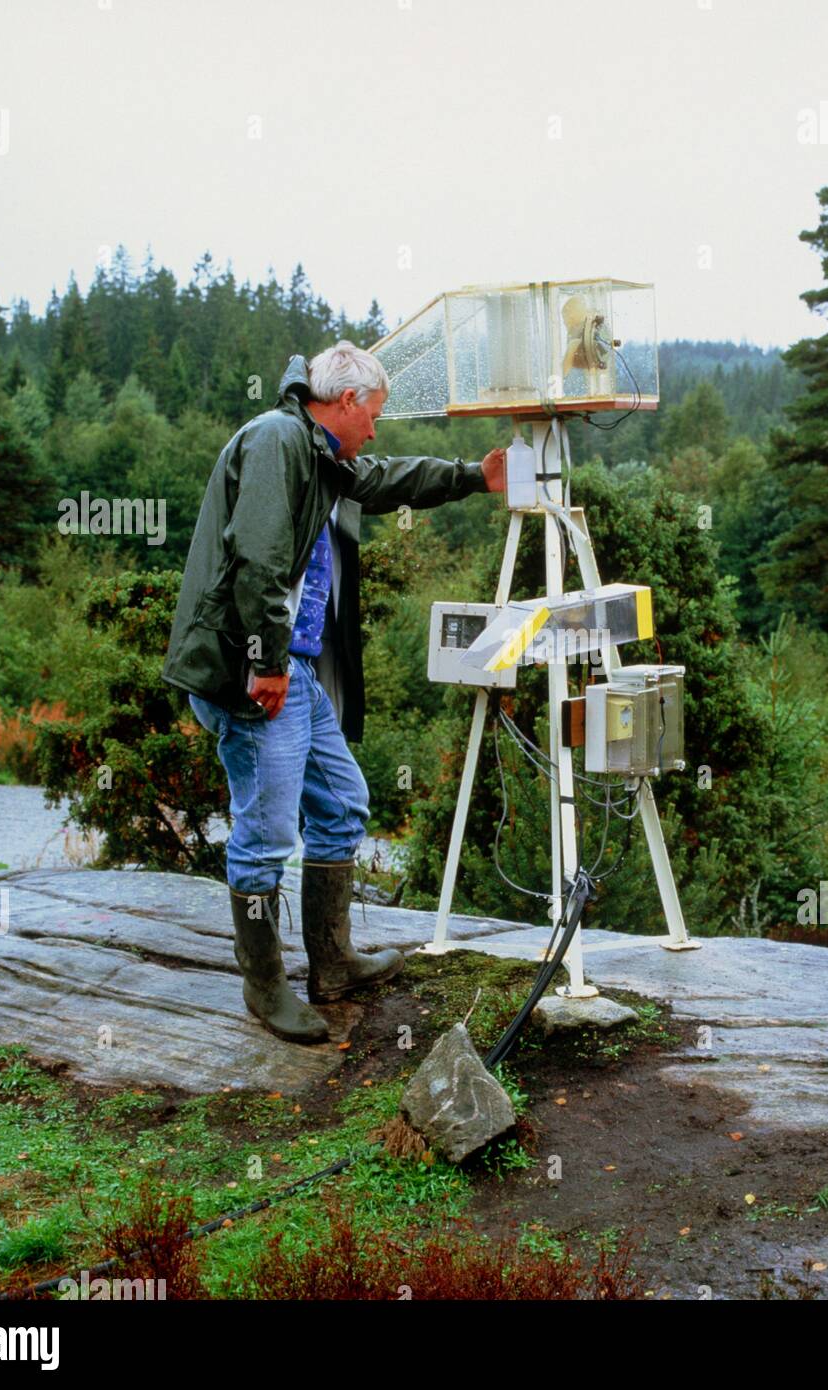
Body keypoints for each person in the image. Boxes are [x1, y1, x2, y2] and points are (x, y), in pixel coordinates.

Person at [162, 342, 505, 1044]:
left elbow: (380, 479)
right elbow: (256, 554)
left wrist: (474, 476)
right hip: (252, 672)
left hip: (294, 669)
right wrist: (265, 659)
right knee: (264, 839)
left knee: (343, 805)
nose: (375, 429)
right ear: (346, 401)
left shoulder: (317, 451)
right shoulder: (276, 440)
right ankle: (264, 988)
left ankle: (333, 963)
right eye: (373, 414)